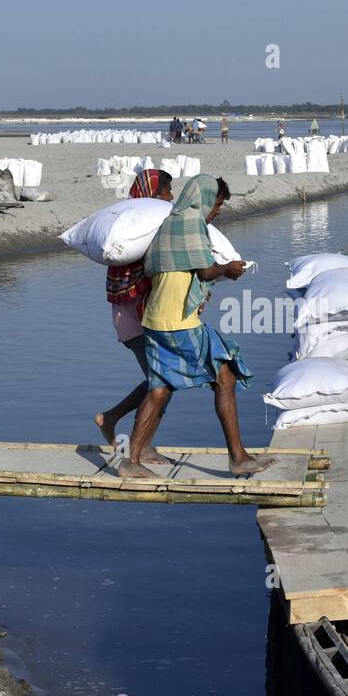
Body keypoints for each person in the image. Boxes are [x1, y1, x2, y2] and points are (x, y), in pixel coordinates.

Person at [118, 176, 274, 479]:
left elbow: (184, 270)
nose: (216, 212)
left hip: (154, 319)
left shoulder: (170, 222)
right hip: (178, 322)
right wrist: (227, 270)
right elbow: (203, 270)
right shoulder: (190, 223)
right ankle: (238, 458)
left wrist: (218, 273)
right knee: (225, 375)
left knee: (159, 388)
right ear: (203, 199)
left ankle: (131, 460)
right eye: (216, 205)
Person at [94, 169, 174, 465]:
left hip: (137, 313)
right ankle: (140, 445)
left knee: (162, 380)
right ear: (154, 194)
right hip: (133, 315)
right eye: (167, 190)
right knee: (161, 382)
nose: (171, 197)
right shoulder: (135, 228)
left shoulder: (144, 226)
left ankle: (114, 420)